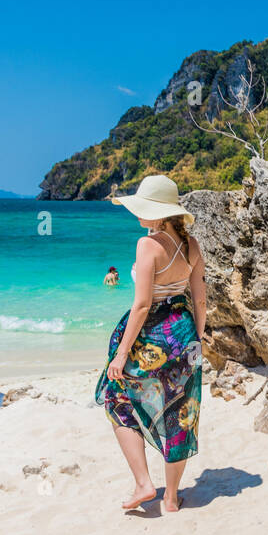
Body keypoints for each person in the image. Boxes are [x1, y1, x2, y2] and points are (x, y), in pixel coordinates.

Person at [95, 175, 206, 513]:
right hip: (184, 332)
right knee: (180, 412)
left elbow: (142, 305)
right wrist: (197, 341)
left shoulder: (148, 246)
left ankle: (144, 483)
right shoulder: (193, 245)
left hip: (151, 336)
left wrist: (123, 352)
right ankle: (171, 498)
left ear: (158, 212)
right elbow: (200, 301)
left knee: (115, 397)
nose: (137, 213)